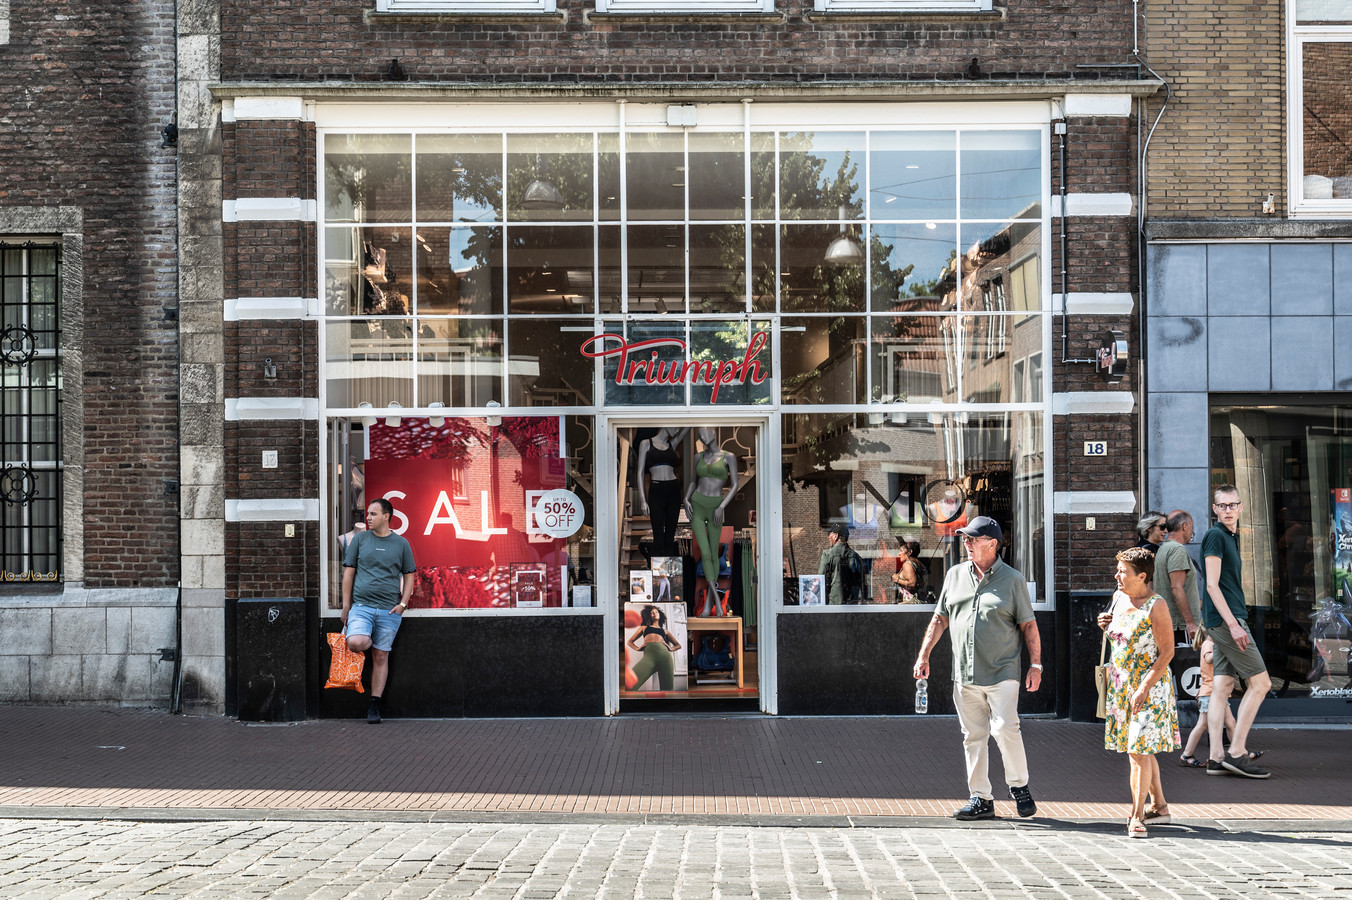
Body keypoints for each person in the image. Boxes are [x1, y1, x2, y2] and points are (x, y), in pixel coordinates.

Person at [912, 516, 1041, 821]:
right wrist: (924, 655)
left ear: (992, 544)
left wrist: (1035, 665)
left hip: (1003, 671)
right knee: (973, 736)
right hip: (965, 673)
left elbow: (1029, 626)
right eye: (965, 539)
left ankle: (1019, 787)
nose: (966, 544)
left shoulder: (1012, 580)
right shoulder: (955, 575)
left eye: (972, 539)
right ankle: (981, 797)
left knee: (1005, 727)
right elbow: (940, 619)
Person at [1096, 547, 1181, 838]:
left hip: (1150, 685)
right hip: (1122, 684)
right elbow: (1120, 636)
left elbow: (1167, 651)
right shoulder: (1119, 597)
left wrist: (1144, 688)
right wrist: (1105, 625)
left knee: (1138, 751)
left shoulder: (1156, 606)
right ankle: (1160, 806)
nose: (1117, 575)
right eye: (1118, 570)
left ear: (1142, 576)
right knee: (1141, 749)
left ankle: (1136, 816)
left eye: (1123, 572)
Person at [1200, 485, 1272, 778]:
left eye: (1233, 505)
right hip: (1228, 622)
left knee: (1222, 688)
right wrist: (1232, 624)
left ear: (1241, 507)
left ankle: (1217, 756)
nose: (1228, 510)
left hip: (1222, 622)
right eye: (1223, 506)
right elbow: (1211, 585)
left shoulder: (1229, 537)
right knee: (1262, 684)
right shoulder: (1216, 536)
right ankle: (1237, 751)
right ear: (1215, 509)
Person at [341, 497, 416, 724]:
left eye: (373, 514)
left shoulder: (401, 544)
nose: (369, 518)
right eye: (368, 514)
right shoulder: (360, 540)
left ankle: (374, 705)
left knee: (381, 656)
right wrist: (346, 605)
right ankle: (369, 635)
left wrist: (402, 604)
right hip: (361, 607)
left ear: (387, 516)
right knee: (355, 642)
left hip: (388, 611)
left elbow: (409, 575)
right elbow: (349, 574)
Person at [684, 426, 738, 616]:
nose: (702, 437)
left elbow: (735, 485)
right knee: (705, 553)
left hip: (716, 506)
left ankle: (708, 602)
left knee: (714, 554)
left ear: (714, 433)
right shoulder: (698, 457)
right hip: (697, 504)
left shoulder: (729, 456)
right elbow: (692, 481)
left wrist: (722, 506)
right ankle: (716, 597)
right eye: (699, 435)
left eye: (705, 433)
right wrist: (686, 498)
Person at [1179, 636, 1248, 768]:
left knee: (1230, 723)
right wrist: (1223, 648)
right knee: (1203, 724)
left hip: (1215, 692)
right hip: (1211, 693)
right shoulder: (1209, 644)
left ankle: (1239, 754)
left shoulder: (1211, 644)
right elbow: (1208, 658)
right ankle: (1187, 754)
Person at [636, 427, 688, 557]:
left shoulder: (672, 444)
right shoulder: (646, 443)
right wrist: (643, 500)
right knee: (658, 533)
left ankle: (671, 572)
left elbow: (687, 427)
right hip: (656, 490)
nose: (676, 430)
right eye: (674, 426)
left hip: (673, 489)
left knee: (670, 533)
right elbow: (640, 472)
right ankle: (658, 571)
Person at [1155, 510, 1202, 644]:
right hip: (1179, 627)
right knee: (1184, 665)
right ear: (1184, 526)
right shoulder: (1177, 550)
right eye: (1192, 526)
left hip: (1168, 623)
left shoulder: (1163, 548)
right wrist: (1190, 623)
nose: (1192, 531)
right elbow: (1176, 588)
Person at [626, 604, 682, 691]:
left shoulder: (665, 631)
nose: (654, 613)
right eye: (652, 613)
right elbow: (630, 642)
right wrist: (638, 648)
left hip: (665, 658)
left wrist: (670, 648)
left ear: (660, 614)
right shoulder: (644, 628)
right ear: (649, 616)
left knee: (667, 691)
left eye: (656, 612)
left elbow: (678, 645)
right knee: (629, 684)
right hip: (649, 658)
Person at [818, 523, 860, 605]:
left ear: (836, 536)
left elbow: (820, 579)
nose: (828, 536)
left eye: (830, 534)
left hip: (834, 602)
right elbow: (859, 580)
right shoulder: (854, 555)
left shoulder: (827, 554)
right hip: (851, 604)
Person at [892, 538, 929, 603]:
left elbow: (912, 583)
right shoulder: (919, 564)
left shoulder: (907, 564)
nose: (899, 554)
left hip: (909, 605)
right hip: (919, 603)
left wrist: (897, 580)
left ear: (909, 552)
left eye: (901, 551)